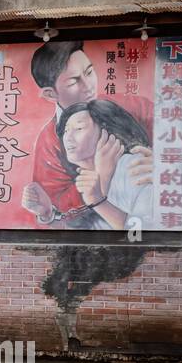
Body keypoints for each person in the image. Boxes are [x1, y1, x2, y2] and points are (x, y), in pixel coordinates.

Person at [20, 40, 155, 227]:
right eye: (75, 81)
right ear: (51, 94)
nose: (89, 86)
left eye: (89, 72)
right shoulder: (49, 142)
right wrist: (100, 176)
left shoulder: (132, 106)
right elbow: (60, 211)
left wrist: (166, 164)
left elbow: (178, 136)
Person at [55, 99, 154, 230]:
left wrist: (98, 201)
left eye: (79, 128)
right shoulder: (83, 181)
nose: (68, 137)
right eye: (66, 131)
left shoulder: (135, 167)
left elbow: (141, 234)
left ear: (105, 132)